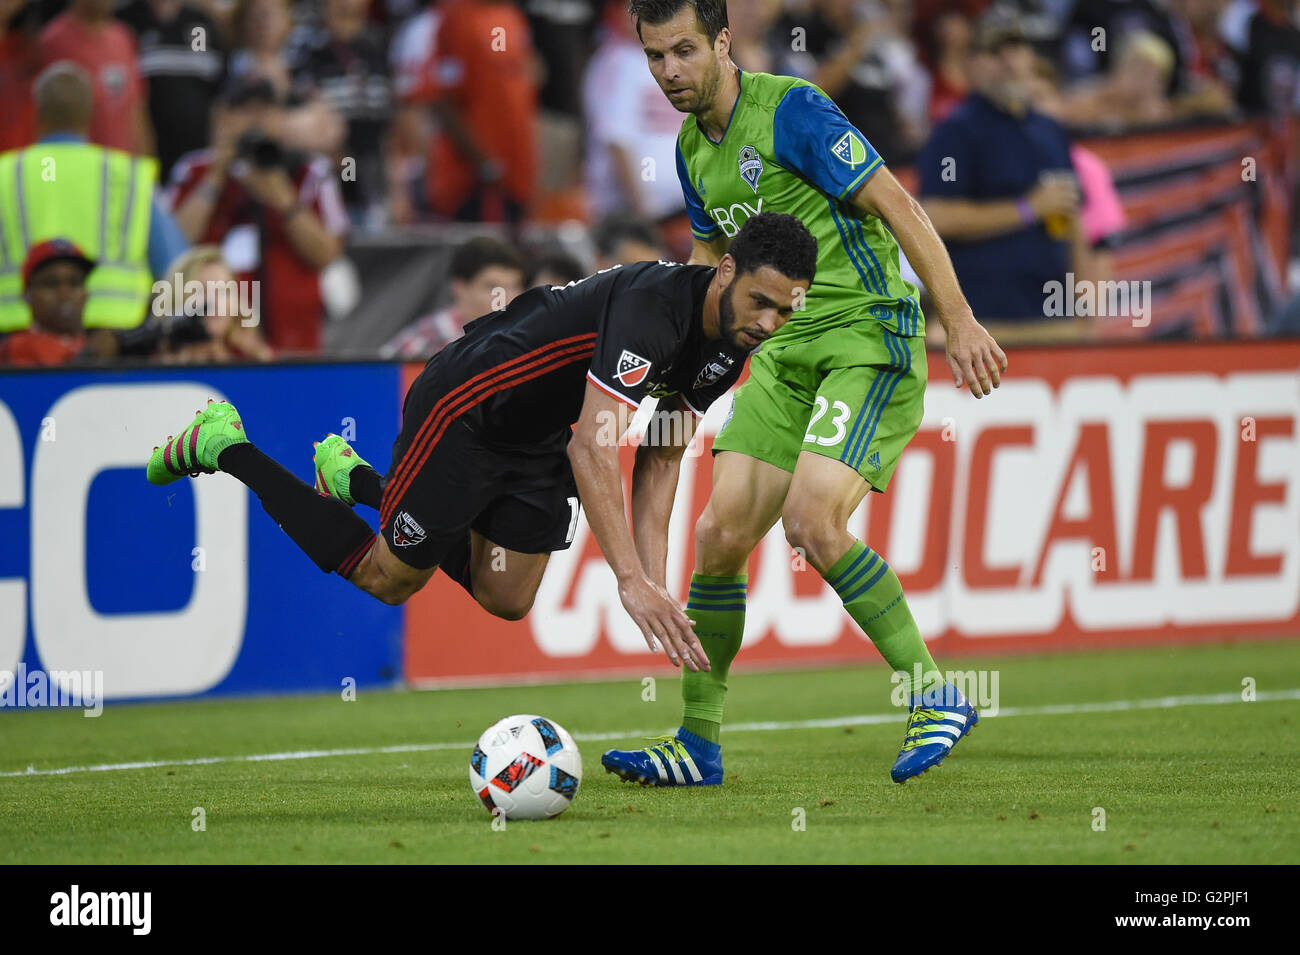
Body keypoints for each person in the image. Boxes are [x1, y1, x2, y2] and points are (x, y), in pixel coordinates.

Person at [600, 0, 1005, 788]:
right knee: (718, 536)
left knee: (812, 519)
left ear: (723, 41)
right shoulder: (690, 151)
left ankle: (935, 693)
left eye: (684, 50)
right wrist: (684, 374)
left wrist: (956, 318)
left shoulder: (793, 111)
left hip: (865, 335)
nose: (670, 71)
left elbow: (899, 203)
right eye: (655, 57)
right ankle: (698, 742)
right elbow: (706, 270)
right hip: (781, 357)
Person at [144, 214, 817, 653]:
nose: (767, 322)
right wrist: (629, 579)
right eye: (760, 301)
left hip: (541, 434)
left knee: (508, 595)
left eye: (785, 311)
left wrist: (656, 581)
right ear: (726, 270)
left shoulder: (728, 345)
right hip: (469, 406)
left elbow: (663, 455)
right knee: (389, 577)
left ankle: (357, 480)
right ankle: (227, 445)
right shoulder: (653, 311)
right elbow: (595, 444)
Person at [0, 62, 189, 333]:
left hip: (13, 348)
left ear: (37, 111)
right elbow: (177, 268)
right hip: (114, 345)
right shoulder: (129, 176)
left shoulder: (6, 174)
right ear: (90, 113)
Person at [166, 78, 348, 354]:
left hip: (295, 346)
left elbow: (326, 255)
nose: (255, 120)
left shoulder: (309, 171)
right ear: (223, 116)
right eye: (243, 109)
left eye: (265, 110)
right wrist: (216, 177)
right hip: (214, 351)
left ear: (281, 117)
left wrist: (284, 200)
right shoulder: (196, 169)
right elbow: (173, 245)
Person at [917, 14, 1078, 322]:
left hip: (1053, 313)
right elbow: (935, 215)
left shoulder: (1051, 129)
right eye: (995, 53)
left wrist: (1086, 308)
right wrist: (1027, 209)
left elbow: (1074, 218)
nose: (1009, 62)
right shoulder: (955, 131)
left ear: (1031, 57)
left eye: (1017, 49)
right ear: (972, 64)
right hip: (986, 315)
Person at [117, 0, 228, 180]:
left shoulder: (199, 25)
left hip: (195, 159)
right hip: (141, 157)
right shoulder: (125, 21)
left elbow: (218, 91)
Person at [39, 0, 154, 156]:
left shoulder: (123, 37)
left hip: (120, 168)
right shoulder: (53, 41)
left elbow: (136, 109)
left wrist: (146, 164)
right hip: (78, 166)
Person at [381, 236, 527, 359]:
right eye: (492, 287)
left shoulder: (525, 337)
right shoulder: (426, 341)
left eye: (514, 286)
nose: (507, 297)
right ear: (460, 288)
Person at [0, 239, 97, 366]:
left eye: (74, 283)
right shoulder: (17, 347)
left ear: (85, 294)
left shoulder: (99, 341)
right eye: (51, 284)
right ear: (27, 294)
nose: (65, 294)